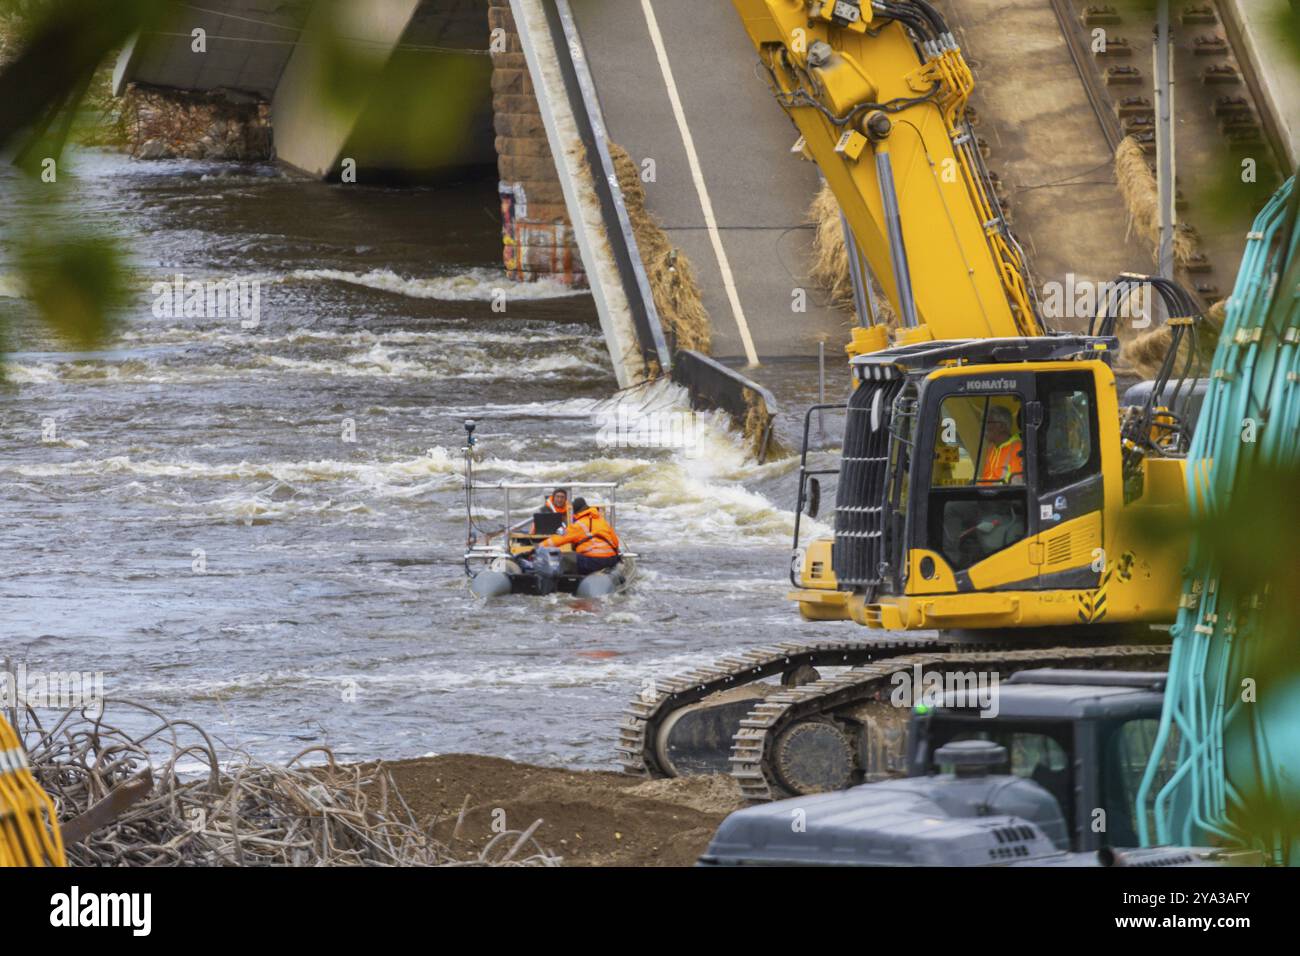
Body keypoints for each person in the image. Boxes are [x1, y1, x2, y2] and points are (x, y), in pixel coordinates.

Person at [538, 497, 620, 573]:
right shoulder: (602, 521)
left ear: (575, 511)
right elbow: (615, 541)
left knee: (562, 557)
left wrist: (538, 548)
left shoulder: (577, 525)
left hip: (594, 561)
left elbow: (557, 539)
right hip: (611, 559)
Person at [977, 405, 1024, 485]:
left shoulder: (1018, 449)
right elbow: (986, 479)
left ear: (1002, 426)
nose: (983, 426)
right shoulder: (992, 448)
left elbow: (1016, 486)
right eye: (982, 422)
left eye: (987, 422)